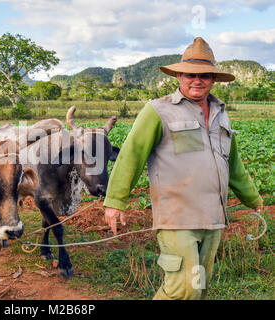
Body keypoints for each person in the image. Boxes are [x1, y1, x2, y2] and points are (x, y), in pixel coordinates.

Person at [103, 37, 264, 300]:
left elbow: (233, 165)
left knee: (200, 286)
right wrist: (115, 201)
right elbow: (131, 156)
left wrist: (252, 198)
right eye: (190, 74)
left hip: (213, 217)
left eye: (205, 75)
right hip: (177, 216)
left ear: (214, 79)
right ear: (179, 75)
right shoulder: (159, 110)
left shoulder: (221, 114)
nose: (197, 80)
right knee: (183, 288)